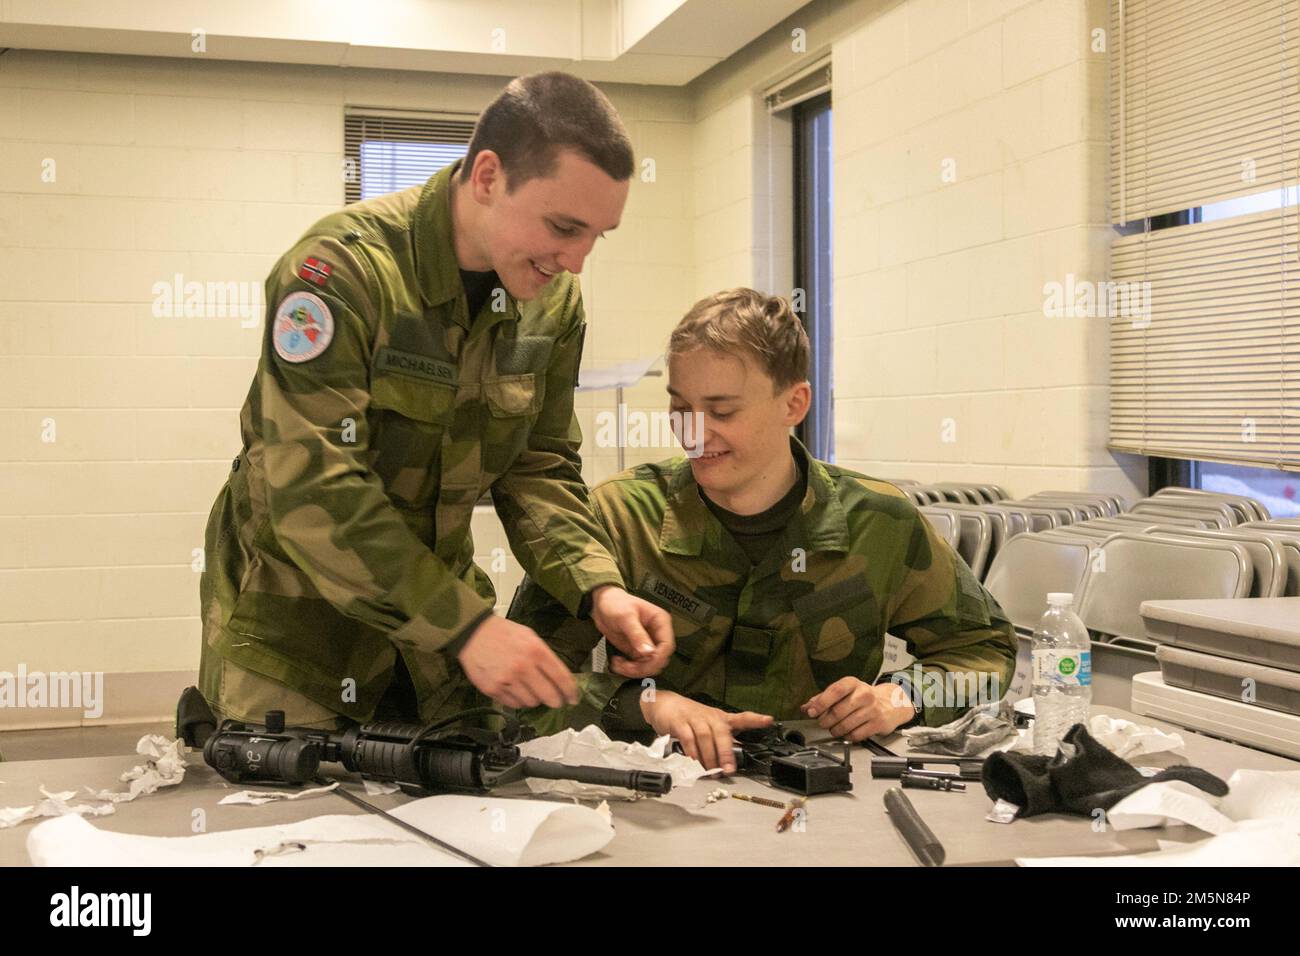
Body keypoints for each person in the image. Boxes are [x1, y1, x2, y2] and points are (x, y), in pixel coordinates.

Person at [195, 72, 673, 732]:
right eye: (564, 226)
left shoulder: (551, 302)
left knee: (468, 807)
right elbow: (313, 490)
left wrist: (600, 588)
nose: (577, 260)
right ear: (486, 176)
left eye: (598, 234)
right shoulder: (338, 274)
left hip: (435, 646)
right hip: (299, 639)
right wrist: (468, 628)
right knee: (287, 827)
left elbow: (539, 466)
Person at [508, 288, 1017, 771]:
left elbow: (985, 650)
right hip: (661, 794)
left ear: (793, 404)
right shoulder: (620, 517)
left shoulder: (878, 521)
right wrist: (643, 703)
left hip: (827, 796)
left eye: (722, 410)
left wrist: (901, 697)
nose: (693, 432)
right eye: (680, 407)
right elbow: (513, 687)